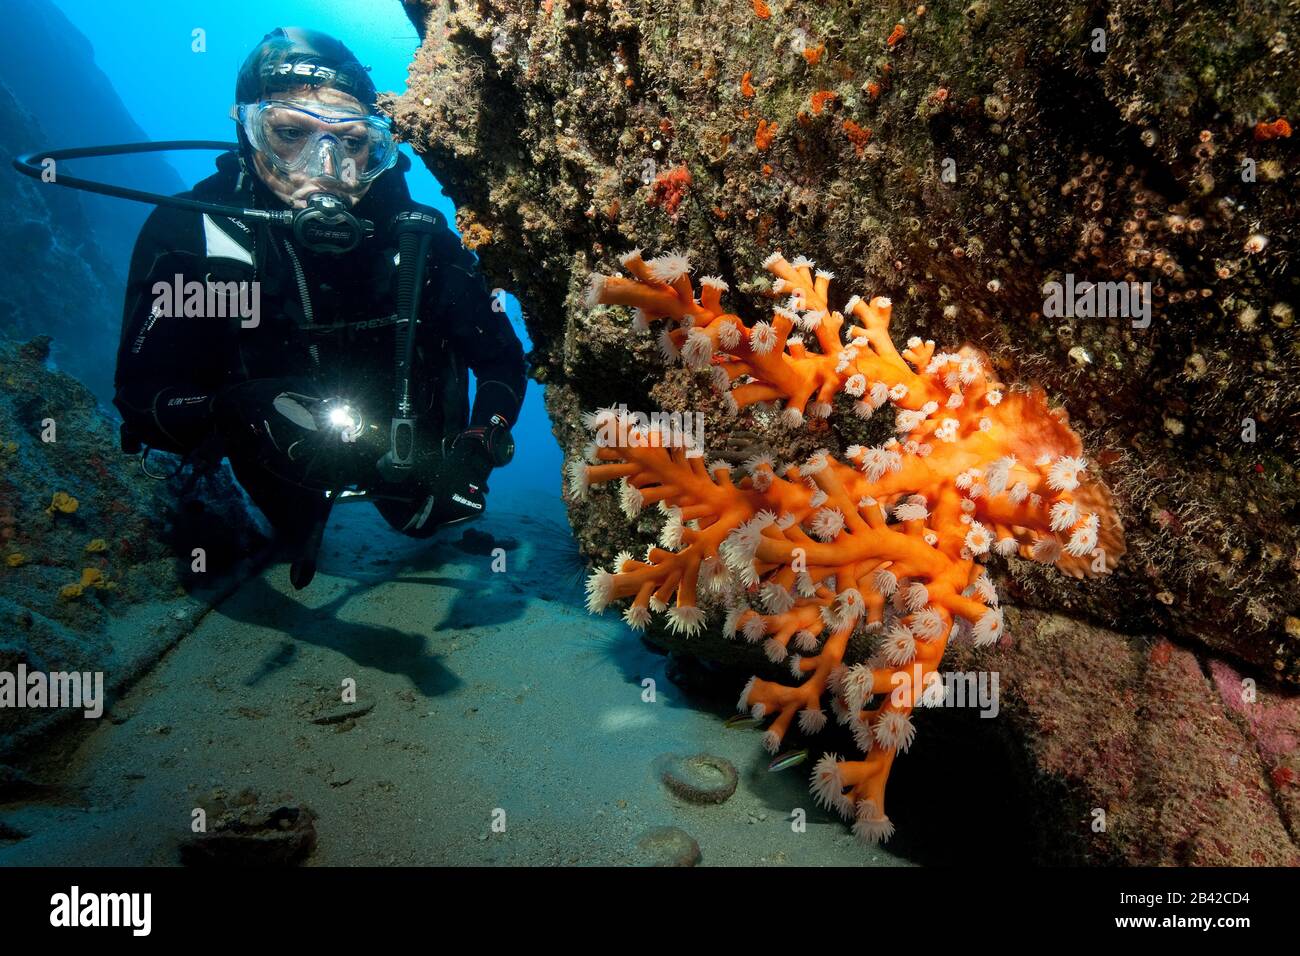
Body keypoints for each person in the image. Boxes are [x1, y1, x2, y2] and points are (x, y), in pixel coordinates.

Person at [113, 28, 526, 586]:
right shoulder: (191, 233)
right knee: (293, 529)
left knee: (423, 525)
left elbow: (501, 359)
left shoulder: (419, 243)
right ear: (248, 132)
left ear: (380, 149)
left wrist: (477, 448)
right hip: (276, 453)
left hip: (404, 448)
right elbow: (140, 402)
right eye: (289, 133)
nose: (326, 167)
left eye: (354, 143)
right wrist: (229, 412)